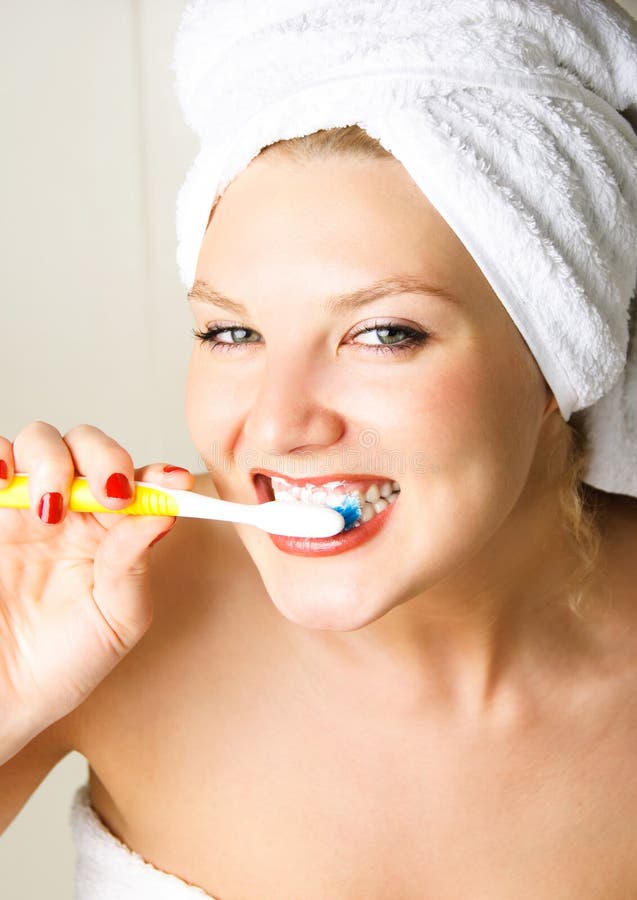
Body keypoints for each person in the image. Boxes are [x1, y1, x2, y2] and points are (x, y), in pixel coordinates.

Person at [1, 1, 637, 897]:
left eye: (382, 334)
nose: (272, 427)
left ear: (556, 359)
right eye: (229, 333)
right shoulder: (109, 618)